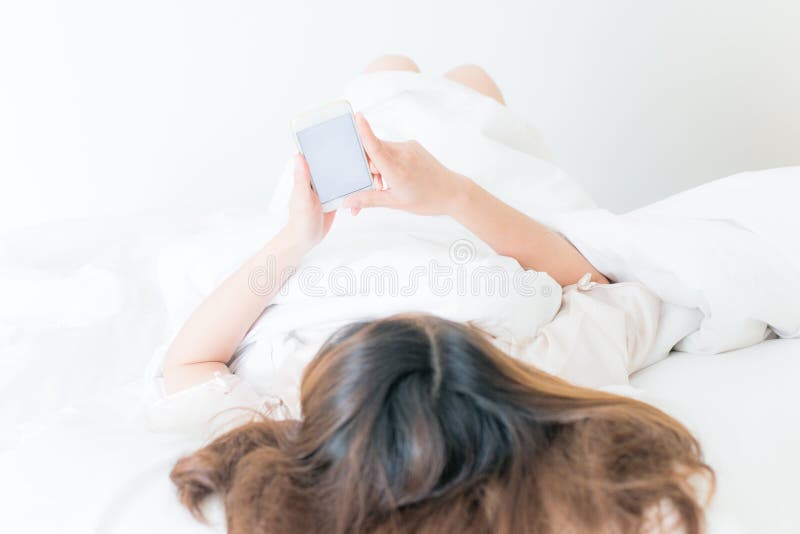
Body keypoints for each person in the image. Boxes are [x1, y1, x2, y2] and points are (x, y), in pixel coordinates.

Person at [158, 56, 714, 532]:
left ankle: (417, 93)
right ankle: (451, 100)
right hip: (468, 209)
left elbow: (188, 361)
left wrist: (296, 236)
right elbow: (595, 281)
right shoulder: (536, 369)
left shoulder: (288, 413)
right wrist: (452, 192)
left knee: (388, 73)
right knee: (467, 82)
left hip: (338, 234)